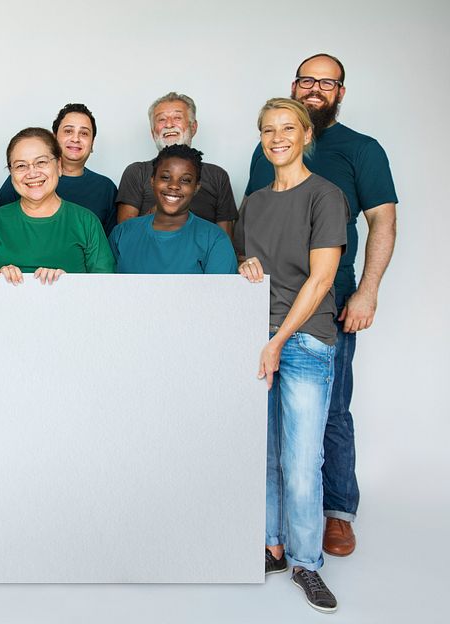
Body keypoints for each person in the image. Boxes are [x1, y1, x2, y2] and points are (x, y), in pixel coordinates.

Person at [245, 53, 399, 557]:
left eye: (326, 82)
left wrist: (367, 291)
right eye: (307, 80)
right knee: (269, 441)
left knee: (329, 416)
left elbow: (382, 222)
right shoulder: (262, 160)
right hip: (266, 314)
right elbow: (256, 233)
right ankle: (274, 538)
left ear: (339, 93)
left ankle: (336, 514)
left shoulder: (360, 152)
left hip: (329, 303)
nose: (315, 88)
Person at [235, 98, 348, 613]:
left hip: (303, 341)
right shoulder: (254, 201)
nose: (277, 137)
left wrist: (279, 341)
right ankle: (273, 548)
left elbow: (322, 278)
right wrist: (246, 267)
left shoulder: (326, 196)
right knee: (264, 455)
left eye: (287, 128)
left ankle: (307, 563)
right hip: (257, 338)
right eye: (268, 130)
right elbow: (247, 261)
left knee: (302, 461)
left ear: (306, 135)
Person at [0, 127, 115, 285]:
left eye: (41, 162)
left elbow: (106, 289)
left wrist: (65, 284)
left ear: (59, 166)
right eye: (21, 166)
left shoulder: (86, 222)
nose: (32, 173)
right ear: (11, 173)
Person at [116, 92, 237, 235]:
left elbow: (225, 238)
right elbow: (124, 234)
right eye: (161, 119)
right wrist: (161, 211)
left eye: (177, 117)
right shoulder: (137, 172)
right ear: (152, 131)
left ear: (193, 127)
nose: (168, 124)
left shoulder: (218, 176)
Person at [109, 145, 236, 275]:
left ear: (196, 188)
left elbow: (220, 294)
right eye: (165, 177)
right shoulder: (121, 234)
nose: (174, 186)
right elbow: (105, 288)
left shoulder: (215, 239)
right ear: (152, 181)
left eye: (185, 180)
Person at [0, 103, 118, 235]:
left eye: (84, 133)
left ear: (92, 144)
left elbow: (109, 242)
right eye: (68, 131)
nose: (75, 139)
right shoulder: (27, 179)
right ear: (53, 139)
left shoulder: (106, 188)